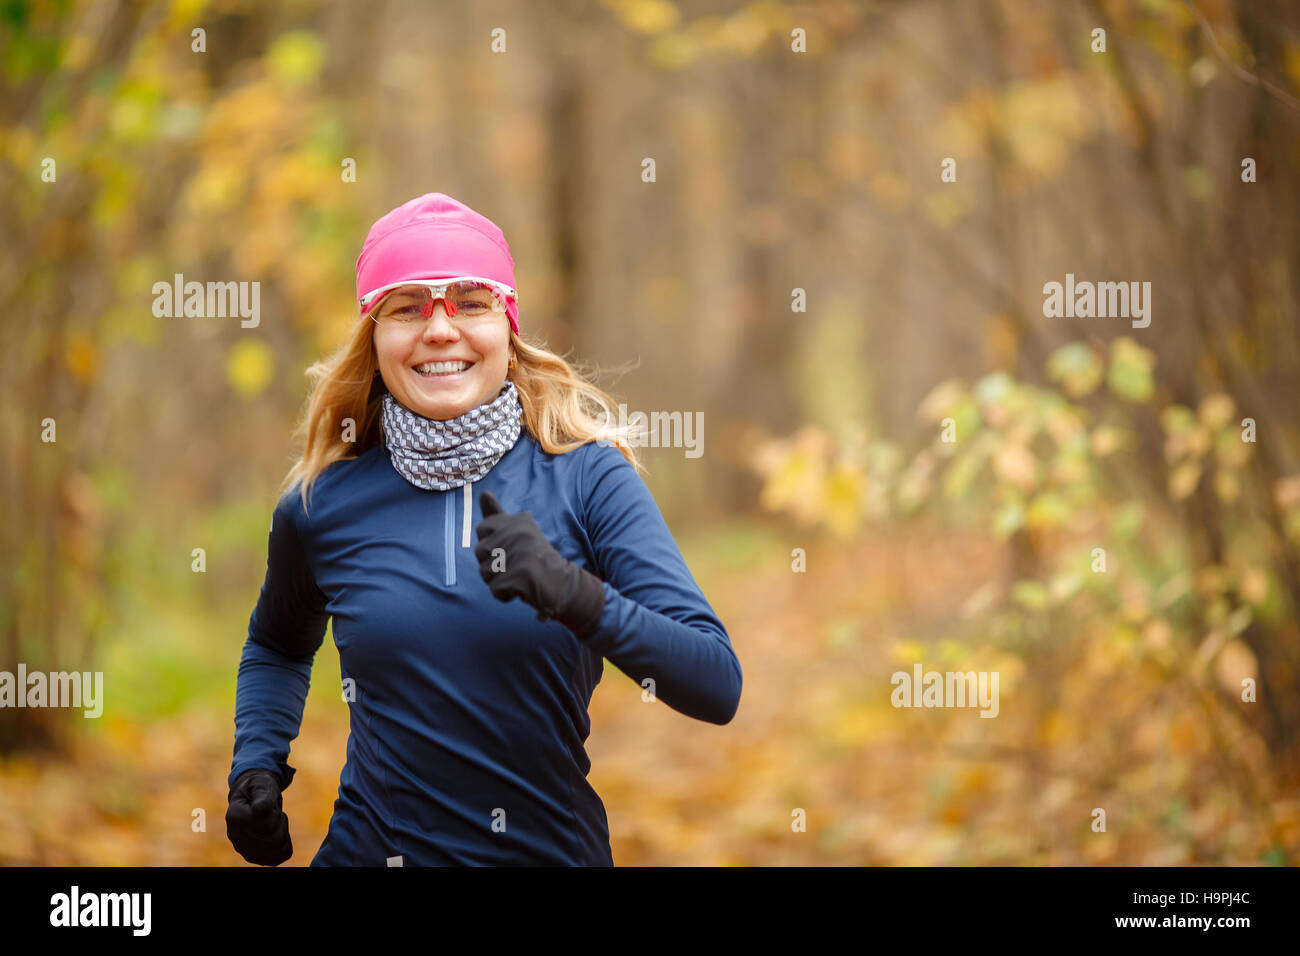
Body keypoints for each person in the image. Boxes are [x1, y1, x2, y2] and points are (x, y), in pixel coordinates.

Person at [224, 192, 742, 866]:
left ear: (507, 325)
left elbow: (715, 683)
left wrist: (572, 593)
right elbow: (277, 644)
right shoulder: (324, 501)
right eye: (408, 306)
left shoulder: (586, 477)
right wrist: (256, 766)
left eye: (471, 302)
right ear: (373, 337)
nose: (440, 330)